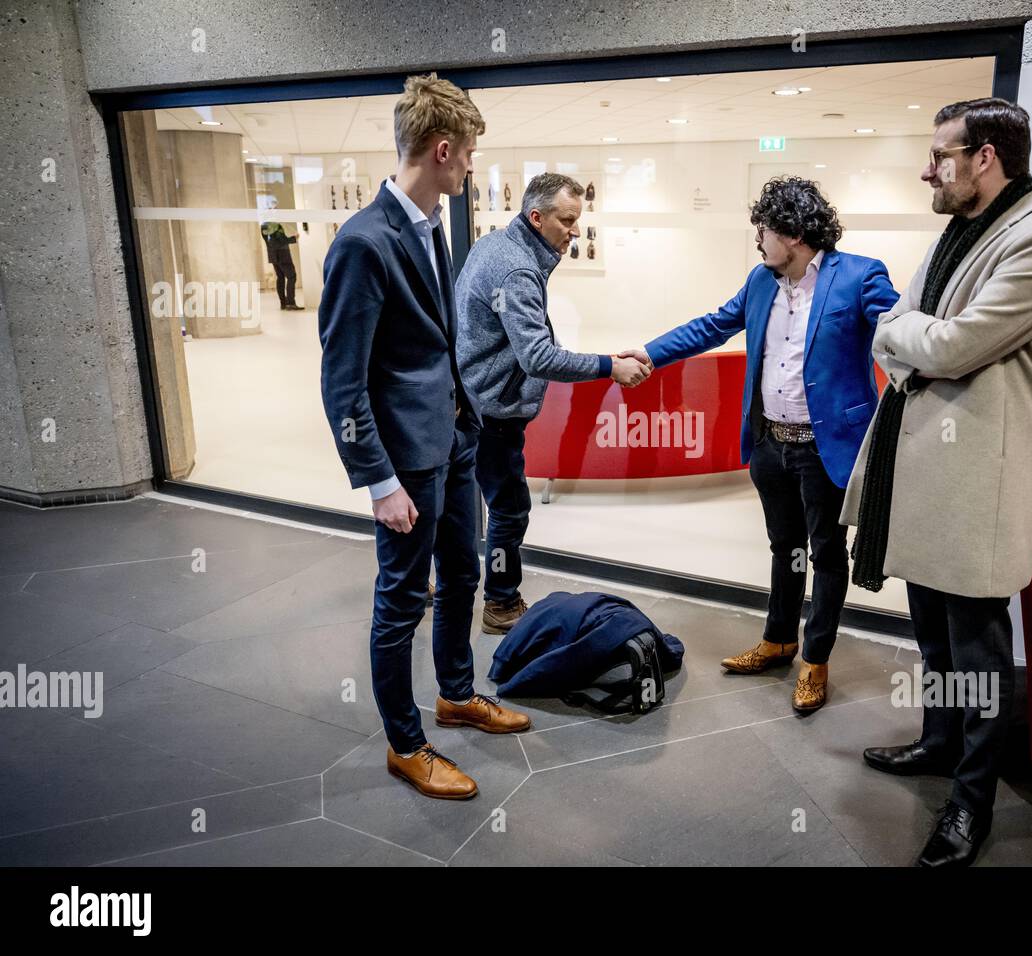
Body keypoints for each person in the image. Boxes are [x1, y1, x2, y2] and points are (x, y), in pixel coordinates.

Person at [841, 97, 1032, 866]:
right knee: (934, 638)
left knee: (978, 655)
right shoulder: (962, 228)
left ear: (986, 157)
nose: (927, 168)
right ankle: (939, 745)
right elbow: (914, 325)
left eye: (940, 154)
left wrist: (907, 335)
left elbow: (947, 344)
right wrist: (914, 335)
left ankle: (970, 805)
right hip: (922, 472)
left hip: (977, 481)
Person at [318, 72, 531, 802]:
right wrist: (378, 481)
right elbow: (342, 381)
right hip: (405, 464)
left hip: (454, 441)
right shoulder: (363, 242)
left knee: (465, 579)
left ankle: (456, 693)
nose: (473, 166)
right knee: (400, 602)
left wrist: (467, 420)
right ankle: (406, 744)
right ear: (443, 150)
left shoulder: (433, 225)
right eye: (469, 153)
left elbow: (434, 343)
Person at [623, 176, 898, 713]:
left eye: (764, 229)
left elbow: (899, 331)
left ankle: (815, 659)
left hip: (827, 447)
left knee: (826, 553)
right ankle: (779, 640)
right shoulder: (760, 280)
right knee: (784, 547)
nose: (758, 238)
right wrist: (651, 353)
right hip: (771, 443)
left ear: (793, 233)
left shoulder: (861, 275)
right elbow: (713, 325)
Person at [455, 172, 650, 634]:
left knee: (466, 502)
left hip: (470, 400)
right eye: (566, 220)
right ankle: (500, 602)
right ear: (536, 217)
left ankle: (439, 581)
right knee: (508, 508)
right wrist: (610, 366)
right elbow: (538, 356)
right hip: (493, 412)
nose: (575, 231)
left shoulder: (493, 245)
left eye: (577, 220)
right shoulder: (518, 269)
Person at [259, 221, 302, 310]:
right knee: (291, 276)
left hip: (273, 256)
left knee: (280, 278)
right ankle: (290, 303)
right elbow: (281, 241)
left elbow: (271, 241)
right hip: (283, 254)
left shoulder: (264, 226)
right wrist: (294, 238)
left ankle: (283, 303)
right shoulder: (276, 226)